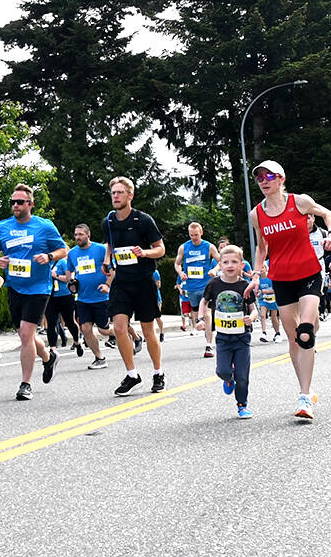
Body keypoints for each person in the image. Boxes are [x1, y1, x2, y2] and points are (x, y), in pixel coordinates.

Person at [248, 160, 331, 419]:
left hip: (309, 273)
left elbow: (327, 213)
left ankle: (304, 396)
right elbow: (262, 247)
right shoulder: (257, 214)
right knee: (293, 338)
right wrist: (256, 273)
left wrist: (330, 233)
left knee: (306, 332)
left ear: (281, 179)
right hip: (281, 278)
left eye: (269, 176)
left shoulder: (299, 202)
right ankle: (307, 392)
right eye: (259, 178)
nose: (264, 181)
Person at [0, 183, 67, 401]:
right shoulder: (1, 227)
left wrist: (49, 257)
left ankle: (25, 384)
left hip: (39, 287)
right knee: (25, 335)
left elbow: (63, 249)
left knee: (26, 332)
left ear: (30, 204)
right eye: (13, 201)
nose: (15, 205)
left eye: (20, 202)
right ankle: (48, 357)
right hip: (15, 286)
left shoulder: (44, 226)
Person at [103, 177, 167, 396]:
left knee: (149, 330)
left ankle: (158, 373)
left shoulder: (143, 220)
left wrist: (144, 252)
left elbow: (160, 249)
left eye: (120, 192)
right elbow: (110, 244)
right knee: (119, 328)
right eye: (113, 193)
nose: (116, 196)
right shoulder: (109, 221)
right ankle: (132, 375)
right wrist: (107, 259)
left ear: (130, 195)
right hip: (122, 280)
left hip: (143, 280)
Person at [195, 245, 257, 419]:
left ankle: (242, 405)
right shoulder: (214, 284)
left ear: (242, 265)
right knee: (222, 371)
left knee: (243, 375)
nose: (230, 265)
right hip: (222, 337)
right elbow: (203, 302)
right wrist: (200, 319)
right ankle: (228, 379)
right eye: (226, 262)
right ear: (220, 264)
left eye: (234, 262)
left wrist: (251, 318)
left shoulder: (245, 285)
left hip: (242, 337)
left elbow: (254, 309)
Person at [66, 224, 114, 369]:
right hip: (83, 298)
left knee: (103, 330)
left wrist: (107, 284)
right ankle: (100, 358)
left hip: (101, 297)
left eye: (80, 234)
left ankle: (124, 336)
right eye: (76, 235)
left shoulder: (100, 249)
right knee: (86, 329)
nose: (77, 237)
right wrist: (71, 283)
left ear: (88, 235)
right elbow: (70, 272)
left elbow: (112, 271)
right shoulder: (72, 253)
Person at [175, 223, 219, 357]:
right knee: (196, 312)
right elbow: (177, 263)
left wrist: (214, 270)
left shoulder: (209, 246)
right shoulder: (184, 247)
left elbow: (220, 261)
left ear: (201, 233)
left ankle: (209, 345)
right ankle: (205, 328)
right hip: (191, 287)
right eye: (191, 235)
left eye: (196, 235)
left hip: (206, 285)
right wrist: (180, 272)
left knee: (207, 313)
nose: (194, 237)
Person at [46, 258, 80, 356]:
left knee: (69, 322)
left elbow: (68, 279)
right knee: (51, 324)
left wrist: (56, 275)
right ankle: (53, 349)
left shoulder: (62, 262)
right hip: (51, 297)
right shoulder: (45, 263)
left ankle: (77, 341)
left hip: (65, 296)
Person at [257, 262, 282, 342]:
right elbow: (257, 289)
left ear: (266, 268)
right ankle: (264, 333)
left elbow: (276, 289)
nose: (261, 270)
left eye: (262, 268)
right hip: (263, 300)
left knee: (273, 317)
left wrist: (267, 292)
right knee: (263, 316)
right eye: (259, 268)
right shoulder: (258, 278)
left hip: (273, 299)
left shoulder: (271, 278)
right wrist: (258, 292)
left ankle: (277, 333)